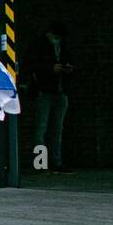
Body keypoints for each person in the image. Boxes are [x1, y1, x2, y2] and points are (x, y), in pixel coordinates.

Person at [27, 21, 76, 173]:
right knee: (42, 128)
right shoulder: (39, 46)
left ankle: (54, 162)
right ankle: (40, 164)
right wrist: (49, 69)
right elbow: (31, 66)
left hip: (59, 91)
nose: (57, 40)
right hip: (45, 91)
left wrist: (69, 68)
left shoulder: (63, 47)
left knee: (56, 129)